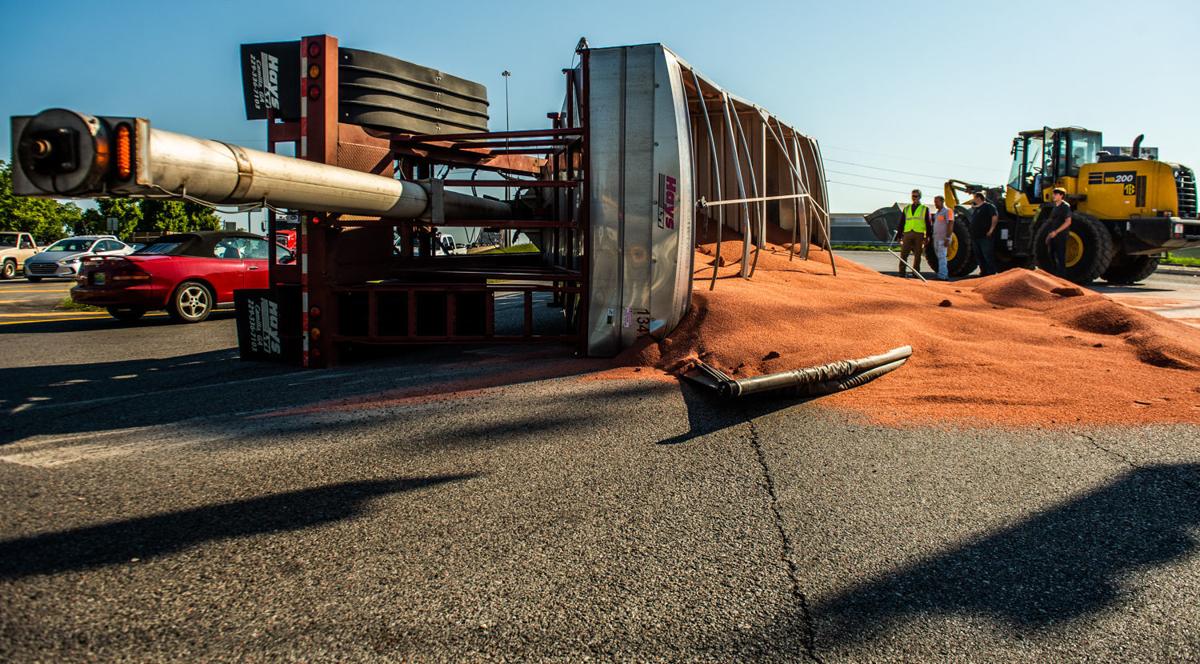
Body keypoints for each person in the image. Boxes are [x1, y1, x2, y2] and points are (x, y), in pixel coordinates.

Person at [897, 189, 932, 278]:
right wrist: (899, 235)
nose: (914, 198)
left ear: (920, 197)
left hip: (919, 234)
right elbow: (902, 223)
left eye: (916, 196)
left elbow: (928, 224)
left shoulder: (925, 209)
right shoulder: (907, 208)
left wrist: (928, 236)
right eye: (913, 196)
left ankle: (915, 274)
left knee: (917, 255)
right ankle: (901, 273)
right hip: (907, 233)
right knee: (903, 254)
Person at [970, 192, 999, 276]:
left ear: (979, 198)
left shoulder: (989, 206)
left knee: (987, 255)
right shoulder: (976, 209)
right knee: (979, 256)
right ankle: (983, 272)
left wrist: (991, 230)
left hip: (985, 236)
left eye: (974, 198)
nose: (973, 199)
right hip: (975, 236)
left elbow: (994, 217)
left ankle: (991, 273)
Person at [1046, 187, 1073, 276]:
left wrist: (1056, 232)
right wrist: (1049, 234)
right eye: (1053, 194)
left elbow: (1068, 222)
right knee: (1051, 254)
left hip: (1061, 235)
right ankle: (1054, 275)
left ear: (1061, 196)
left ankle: (1062, 277)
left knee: (1060, 255)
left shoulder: (1065, 206)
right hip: (1053, 235)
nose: (1053, 196)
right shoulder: (1055, 207)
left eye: (1056, 194)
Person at [931, 195, 954, 280]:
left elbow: (950, 224)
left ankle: (943, 276)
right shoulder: (937, 213)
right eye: (934, 202)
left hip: (943, 239)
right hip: (936, 238)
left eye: (936, 202)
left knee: (942, 257)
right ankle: (941, 274)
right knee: (939, 257)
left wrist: (948, 238)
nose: (935, 204)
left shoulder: (948, 211)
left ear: (942, 201)